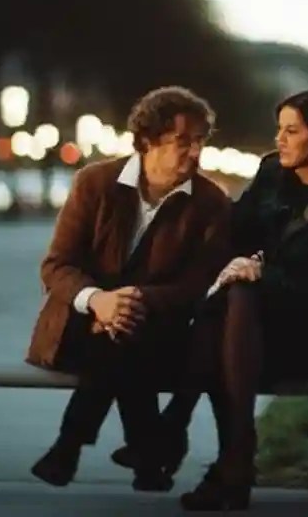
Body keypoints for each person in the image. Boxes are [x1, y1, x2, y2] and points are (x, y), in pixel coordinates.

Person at [114, 88, 308, 511]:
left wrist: (261, 274)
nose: (279, 139)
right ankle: (231, 464)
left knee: (235, 304)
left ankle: (193, 437)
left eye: (291, 131)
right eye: (279, 129)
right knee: (231, 307)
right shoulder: (272, 174)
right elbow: (232, 233)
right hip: (251, 330)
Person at [24, 86, 231, 492]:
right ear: (145, 141)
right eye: (182, 141)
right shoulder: (95, 183)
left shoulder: (210, 203)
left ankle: (70, 446)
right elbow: (56, 265)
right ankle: (148, 449)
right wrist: (98, 301)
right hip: (79, 328)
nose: (195, 152)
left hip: (156, 330)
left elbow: (200, 282)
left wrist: (135, 302)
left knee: (124, 334)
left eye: (201, 141)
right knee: (117, 337)